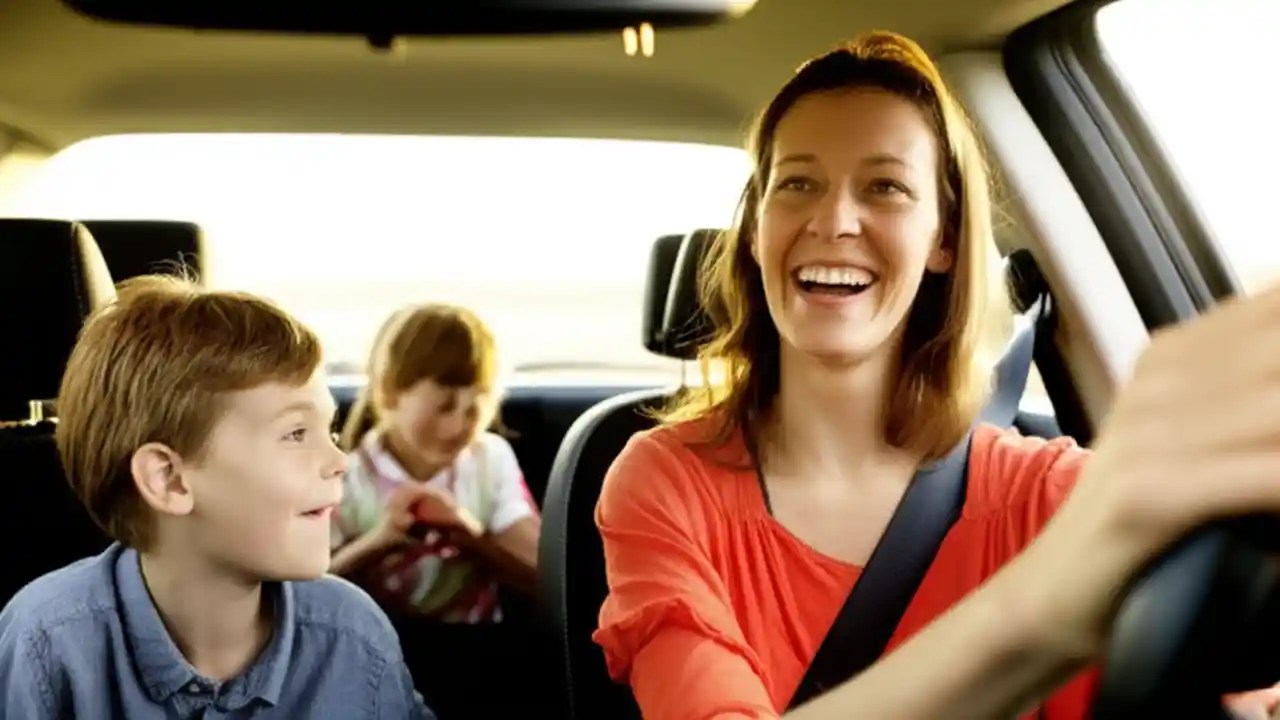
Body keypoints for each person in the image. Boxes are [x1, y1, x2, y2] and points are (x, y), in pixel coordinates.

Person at [592, 30, 1280, 720]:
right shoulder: (662, 484)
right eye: (797, 183)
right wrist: (1041, 611)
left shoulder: (1061, 499)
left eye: (885, 187)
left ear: (943, 240)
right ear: (755, 228)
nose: (833, 220)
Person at [0, 276, 433, 719]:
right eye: (296, 434)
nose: (340, 460)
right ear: (169, 480)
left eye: (332, 431)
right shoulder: (46, 644)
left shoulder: (354, 637)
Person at [330, 303, 540, 624]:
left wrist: (470, 538)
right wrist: (380, 541)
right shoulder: (348, 475)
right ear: (389, 394)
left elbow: (545, 572)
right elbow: (308, 587)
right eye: (443, 407)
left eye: (475, 409)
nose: (458, 426)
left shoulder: (489, 461)